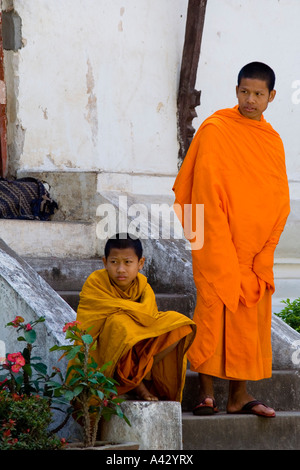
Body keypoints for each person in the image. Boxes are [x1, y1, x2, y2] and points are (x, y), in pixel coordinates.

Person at [173, 62, 290, 417]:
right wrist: (216, 245)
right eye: (244, 92)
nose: (250, 100)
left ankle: (239, 395)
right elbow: (202, 192)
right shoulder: (216, 129)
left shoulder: (271, 141)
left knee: (247, 322)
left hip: (254, 252)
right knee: (212, 314)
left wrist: (265, 250)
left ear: (271, 96)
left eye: (258, 94)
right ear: (235, 90)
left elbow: (279, 200)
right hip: (216, 241)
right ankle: (206, 392)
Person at [75, 233, 196, 402]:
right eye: (114, 262)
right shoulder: (95, 283)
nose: (121, 269)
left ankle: (135, 376)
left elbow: (149, 319)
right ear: (105, 263)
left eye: (128, 262)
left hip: (137, 345)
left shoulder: (143, 287)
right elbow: (88, 325)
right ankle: (136, 386)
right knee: (120, 325)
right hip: (107, 348)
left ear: (140, 263)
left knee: (179, 325)